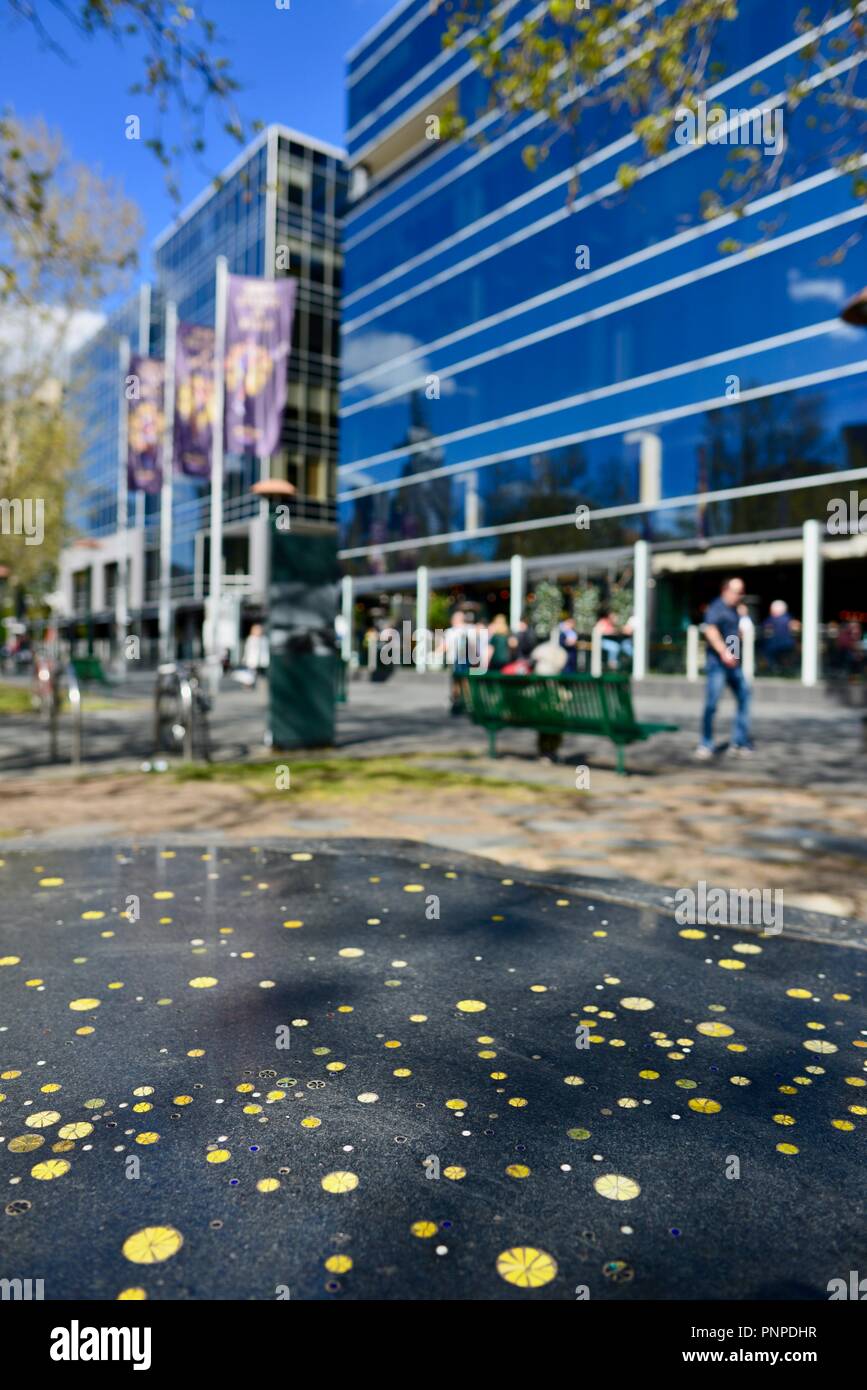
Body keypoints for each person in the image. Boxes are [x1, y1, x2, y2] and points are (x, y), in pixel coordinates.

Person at [695, 576, 753, 760]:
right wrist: (724, 653)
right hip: (717, 665)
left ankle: (739, 742)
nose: (740, 596)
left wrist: (734, 654)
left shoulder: (737, 610)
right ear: (726, 591)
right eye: (737, 592)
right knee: (711, 704)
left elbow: (734, 635)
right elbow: (710, 630)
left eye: (742, 592)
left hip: (732, 665)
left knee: (744, 697)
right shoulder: (716, 607)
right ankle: (706, 743)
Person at [530, 629, 567, 760]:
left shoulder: (539, 651)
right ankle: (550, 751)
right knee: (553, 720)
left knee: (545, 719)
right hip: (551, 703)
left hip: (538, 703)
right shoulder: (560, 653)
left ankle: (544, 750)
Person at [762, 599, 798, 675]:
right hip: (788, 645)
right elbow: (795, 627)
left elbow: (766, 631)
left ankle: (773, 670)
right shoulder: (789, 618)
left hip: (775, 646)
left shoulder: (771, 619)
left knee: (765, 649)